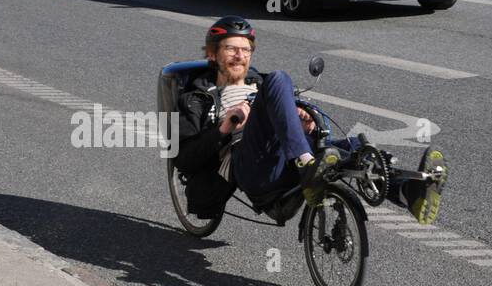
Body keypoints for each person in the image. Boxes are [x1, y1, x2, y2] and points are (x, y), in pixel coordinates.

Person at [173, 17, 445, 223]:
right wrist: (226, 126)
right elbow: (183, 159)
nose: (240, 56)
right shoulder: (195, 98)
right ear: (212, 54)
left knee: (355, 152)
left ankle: (407, 191)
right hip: (249, 163)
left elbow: (290, 113)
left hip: (285, 158)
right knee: (279, 78)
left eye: (246, 50)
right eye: (231, 49)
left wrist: (305, 122)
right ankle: (307, 163)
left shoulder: (261, 83)